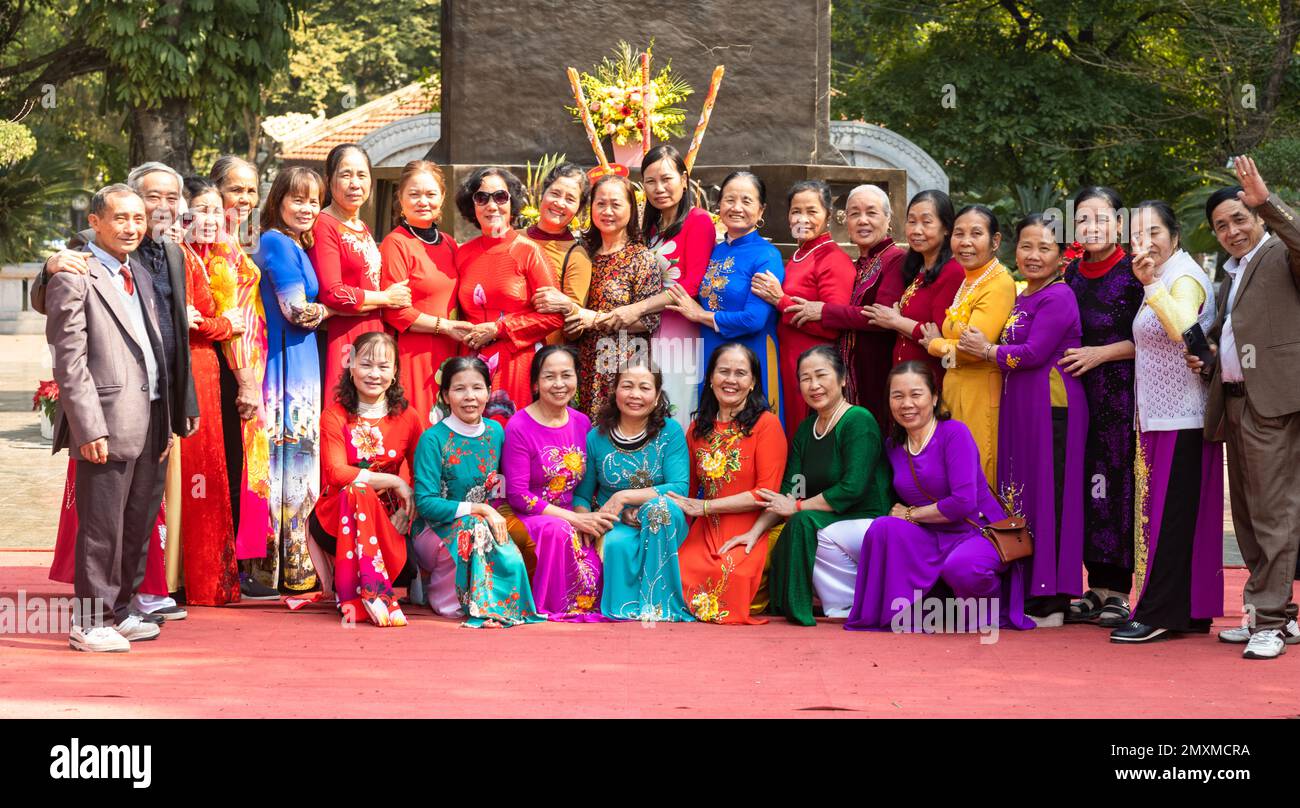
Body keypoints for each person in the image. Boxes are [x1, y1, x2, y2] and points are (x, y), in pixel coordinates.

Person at [35, 162, 199, 618]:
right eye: (123, 216)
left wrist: (173, 414)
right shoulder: (76, 266)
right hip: (107, 417)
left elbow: (167, 343)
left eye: (139, 219)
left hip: (152, 415)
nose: (134, 225)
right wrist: (87, 427)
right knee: (101, 527)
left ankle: (121, 612)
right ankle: (92, 620)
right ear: (96, 222)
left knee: (136, 524)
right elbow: (68, 358)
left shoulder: (156, 263)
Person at [1191, 156, 1300, 659]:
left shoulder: (1280, 252)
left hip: (1274, 404)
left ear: (1256, 216)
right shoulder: (1230, 275)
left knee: (1274, 513)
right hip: (1234, 401)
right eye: (1221, 225)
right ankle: (1271, 614)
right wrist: (1209, 361)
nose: (1232, 230)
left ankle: (1271, 621)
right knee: (1251, 517)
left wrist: (1269, 202)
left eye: (1239, 218)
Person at [958, 213, 1087, 626]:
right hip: (1021, 403)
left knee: (1051, 494)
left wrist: (987, 351)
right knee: (1023, 494)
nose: (1033, 255)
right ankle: (1030, 584)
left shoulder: (1059, 297)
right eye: (1026, 246)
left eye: (1044, 248)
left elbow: (1032, 353)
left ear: (1062, 256)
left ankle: (1054, 597)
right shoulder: (1023, 294)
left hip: (1053, 407)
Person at [1107, 200, 1224, 643]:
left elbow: (1182, 328)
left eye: (1153, 232)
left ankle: (1159, 611)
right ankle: (1188, 611)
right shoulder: (1159, 276)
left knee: (1170, 519)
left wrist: (1153, 283)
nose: (1145, 242)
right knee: (1167, 517)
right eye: (1136, 235)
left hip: (1184, 418)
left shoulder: (1184, 276)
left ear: (1175, 236)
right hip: (1159, 416)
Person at [845, 361, 1035, 632]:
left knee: (962, 567)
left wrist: (911, 514)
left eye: (916, 394)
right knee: (882, 528)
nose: (906, 403)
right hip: (931, 534)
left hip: (974, 530)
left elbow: (963, 503)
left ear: (934, 397)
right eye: (897, 396)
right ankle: (896, 612)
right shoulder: (894, 446)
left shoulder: (955, 434)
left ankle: (992, 607)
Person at [756, 346, 892, 625]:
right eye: (805, 378)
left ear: (842, 378)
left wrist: (796, 506)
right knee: (796, 526)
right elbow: (792, 489)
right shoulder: (806, 430)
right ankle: (840, 604)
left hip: (868, 519)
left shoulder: (858, 421)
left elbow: (852, 488)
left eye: (821, 375)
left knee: (804, 523)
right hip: (828, 519)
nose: (814, 385)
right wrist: (754, 530)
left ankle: (855, 600)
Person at [412, 356, 546, 627]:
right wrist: (480, 509)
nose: (469, 397)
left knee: (506, 532)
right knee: (472, 527)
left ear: (488, 391)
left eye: (477, 388)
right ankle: (457, 603)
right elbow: (425, 503)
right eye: (459, 389)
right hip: (433, 529)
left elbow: (504, 485)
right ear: (445, 396)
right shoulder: (432, 439)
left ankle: (502, 604)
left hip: (484, 521)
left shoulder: (496, 431)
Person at [1061, 186, 1142, 627]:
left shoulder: (1134, 272)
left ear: (1119, 224)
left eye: (1101, 218)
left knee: (1116, 484)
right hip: (1078, 395)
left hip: (1119, 393)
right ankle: (1094, 585)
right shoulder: (1071, 274)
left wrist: (1100, 354)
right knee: (1085, 485)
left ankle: (1120, 589)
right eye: (1083, 220)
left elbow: (1150, 337)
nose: (1092, 227)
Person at [254, 166, 334, 594]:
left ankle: (292, 566)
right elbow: (296, 311)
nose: (307, 208)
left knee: (297, 462)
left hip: (301, 360)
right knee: (287, 463)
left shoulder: (293, 245)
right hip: (284, 364)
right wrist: (337, 308)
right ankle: (280, 566)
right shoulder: (274, 242)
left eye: (313, 201)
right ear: (278, 201)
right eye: (297, 199)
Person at [309, 332, 424, 627]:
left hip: (388, 518)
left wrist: (405, 514)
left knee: (361, 488)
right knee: (357, 489)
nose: (374, 374)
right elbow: (336, 472)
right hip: (337, 516)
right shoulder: (334, 415)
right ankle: (360, 596)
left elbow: (422, 475)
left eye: (384, 367)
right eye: (366, 365)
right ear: (351, 366)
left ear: (395, 371)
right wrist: (396, 483)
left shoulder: (408, 417)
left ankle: (361, 594)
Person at [668, 343, 787, 624]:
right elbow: (687, 489)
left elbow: (765, 493)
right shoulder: (698, 429)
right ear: (710, 378)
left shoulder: (766, 425)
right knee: (680, 572)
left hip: (750, 525)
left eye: (740, 373)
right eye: (723, 371)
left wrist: (707, 506)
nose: (731, 380)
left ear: (753, 381)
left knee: (732, 574)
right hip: (706, 528)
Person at [573, 361, 693, 622]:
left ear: (658, 396)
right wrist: (585, 520)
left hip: (664, 521)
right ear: (614, 390)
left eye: (644, 387)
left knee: (660, 510)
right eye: (627, 386)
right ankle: (627, 609)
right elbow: (582, 494)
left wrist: (623, 497)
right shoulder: (596, 438)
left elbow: (679, 488)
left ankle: (659, 606)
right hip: (616, 524)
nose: (635, 395)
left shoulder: (670, 433)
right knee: (616, 546)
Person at [664, 171, 785, 424]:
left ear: (761, 210)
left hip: (752, 357)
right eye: (729, 200)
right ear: (719, 206)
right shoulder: (715, 251)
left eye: (746, 201)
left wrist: (699, 315)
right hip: (711, 354)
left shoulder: (766, 256)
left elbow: (754, 319)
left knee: (751, 434)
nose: (736, 207)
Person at [502, 345, 613, 621]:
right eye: (550, 376)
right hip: (528, 515)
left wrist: (582, 515)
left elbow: (586, 484)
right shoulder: (518, 426)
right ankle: (549, 606)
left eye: (567, 375)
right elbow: (518, 495)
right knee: (558, 530)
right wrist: (572, 520)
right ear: (536, 384)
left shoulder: (582, 422)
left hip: (570, 513)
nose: (559, 384)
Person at [207, 157, 275, 596]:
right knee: (236, 466)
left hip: (250, 367)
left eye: (251, 190)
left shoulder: (234, 241)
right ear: (215, 193)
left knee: (246, 465)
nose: (245, 199)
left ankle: (239, 567)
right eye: (236, 189)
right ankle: (231, 570)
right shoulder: (221, 249)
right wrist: (247, 382)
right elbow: (232, 322)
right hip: (237, 370)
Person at [785, 183, 905, 428]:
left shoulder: (896, 260)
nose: (862, 220)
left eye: (871, 213)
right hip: (846, 371)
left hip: (874, 368)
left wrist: (823, 310)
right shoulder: (859, 263)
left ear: (888, 219)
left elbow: (879, 316)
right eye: (854, 214)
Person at [454, 166, 564, 421]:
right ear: (472, 206)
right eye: (482, 198)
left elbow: (554, 318)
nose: (491, 205)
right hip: (472, 369)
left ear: (512, 202)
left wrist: (499, 328)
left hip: (519, 365)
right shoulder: (462, 254)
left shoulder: (529, 252)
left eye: (500, 197)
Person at [175, 177, 240, 606]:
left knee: (210, 470)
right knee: (193, 472)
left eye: (218, 211)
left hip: (208, 370)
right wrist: (228, 325)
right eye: (203, 209)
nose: (212, 218)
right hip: (191, 368)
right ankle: (187, 576)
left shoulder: (210, 257)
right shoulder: (179, 257)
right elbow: (188, 322)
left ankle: (201, 576)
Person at [917, 205, 1015, 485]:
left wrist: (934, 344)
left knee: (977, 470)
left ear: (995, 241)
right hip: (955, 387)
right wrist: (949, 345)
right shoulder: (969, 279)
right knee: (954, 469)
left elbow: (972, 352)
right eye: (959, 233)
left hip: (980, 392)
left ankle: (985, 530)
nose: (966, 242)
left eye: (976, 234)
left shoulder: (998, 284)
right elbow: (960, 344)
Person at [752, 180, 855, 444]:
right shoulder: (800, 254)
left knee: (805, 434)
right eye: (796, 211)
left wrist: (780, 300)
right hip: (785, 361)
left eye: (812, 211)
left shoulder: (833, 259)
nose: (803, 219)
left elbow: (833, 325)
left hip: (812, 366)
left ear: (828, 216)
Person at [309, 143, 410, 392]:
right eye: (346, 175)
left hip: (373, 329)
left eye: (362, 175)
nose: (355, 183)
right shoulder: (324, 224)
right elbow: (333, 293)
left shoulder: (360, 225)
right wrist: (387, 298)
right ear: (329, 180)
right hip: (345, 334)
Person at [379, 160, 469, 427]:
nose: (423, 201)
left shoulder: (450, 244)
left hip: (450, 351)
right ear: (400, 198)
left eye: (430, 194)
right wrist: (445, 327)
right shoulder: (396, 243)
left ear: (442, 197)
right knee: (420, 428)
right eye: (414, 194)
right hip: (414, 353)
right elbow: (397, 313)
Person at [565, 173, 662, 418]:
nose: (607, 211)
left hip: (621, 365)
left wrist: (596, 319)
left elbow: (650, 321)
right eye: (601, 203)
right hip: (581, 362)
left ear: (631, 209)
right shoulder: (582, 253)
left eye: (616, 204)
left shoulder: (641, 259)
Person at [862, 189, 964, 386]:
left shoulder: (953, 272)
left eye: (926, 222)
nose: (916, 230)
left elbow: (938, 337)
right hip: (905, 377)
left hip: (930, 381)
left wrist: (896, 321)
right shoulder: (917, 267)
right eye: (911, 221)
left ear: (946, 228)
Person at [527, 162, 595, 345]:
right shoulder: (514, 238)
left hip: (544, 358)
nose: (559, 203)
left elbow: (574, 332)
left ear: (579, 210)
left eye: (570, 199)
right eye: (555, 193)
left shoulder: (576, 256)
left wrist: (567, 307)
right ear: (542, 194)